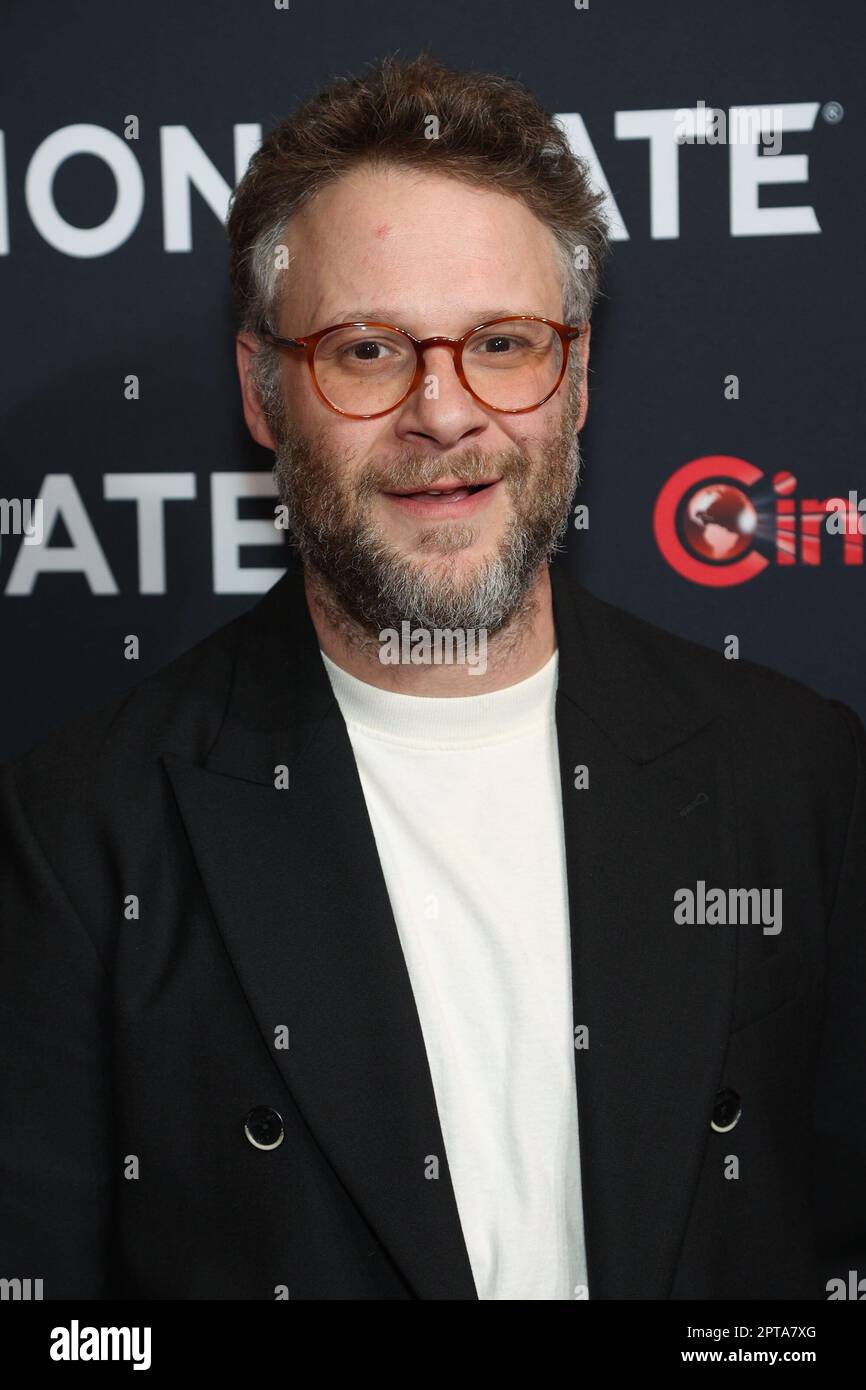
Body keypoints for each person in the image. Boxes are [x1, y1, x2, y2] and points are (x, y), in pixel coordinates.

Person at [1, 52, 864, 1302]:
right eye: (366, 351)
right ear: (261, 391)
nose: (443, 415)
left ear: (574, 380)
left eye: (502, 343)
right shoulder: (77, 836)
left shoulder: (800, 777)